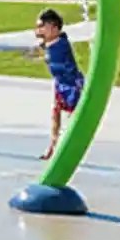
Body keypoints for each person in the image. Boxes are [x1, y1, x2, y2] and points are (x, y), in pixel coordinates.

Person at [32, 8, 85, 160]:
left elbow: (58, 56)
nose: (39, 29)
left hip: (72, 85)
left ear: (54, 27)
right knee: (55, 113)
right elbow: (44, 45)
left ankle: (68, 146)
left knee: (74, 115)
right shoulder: (49, 42)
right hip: (60, 83)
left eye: (42, 26)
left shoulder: (61, 43)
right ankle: (53, 146)